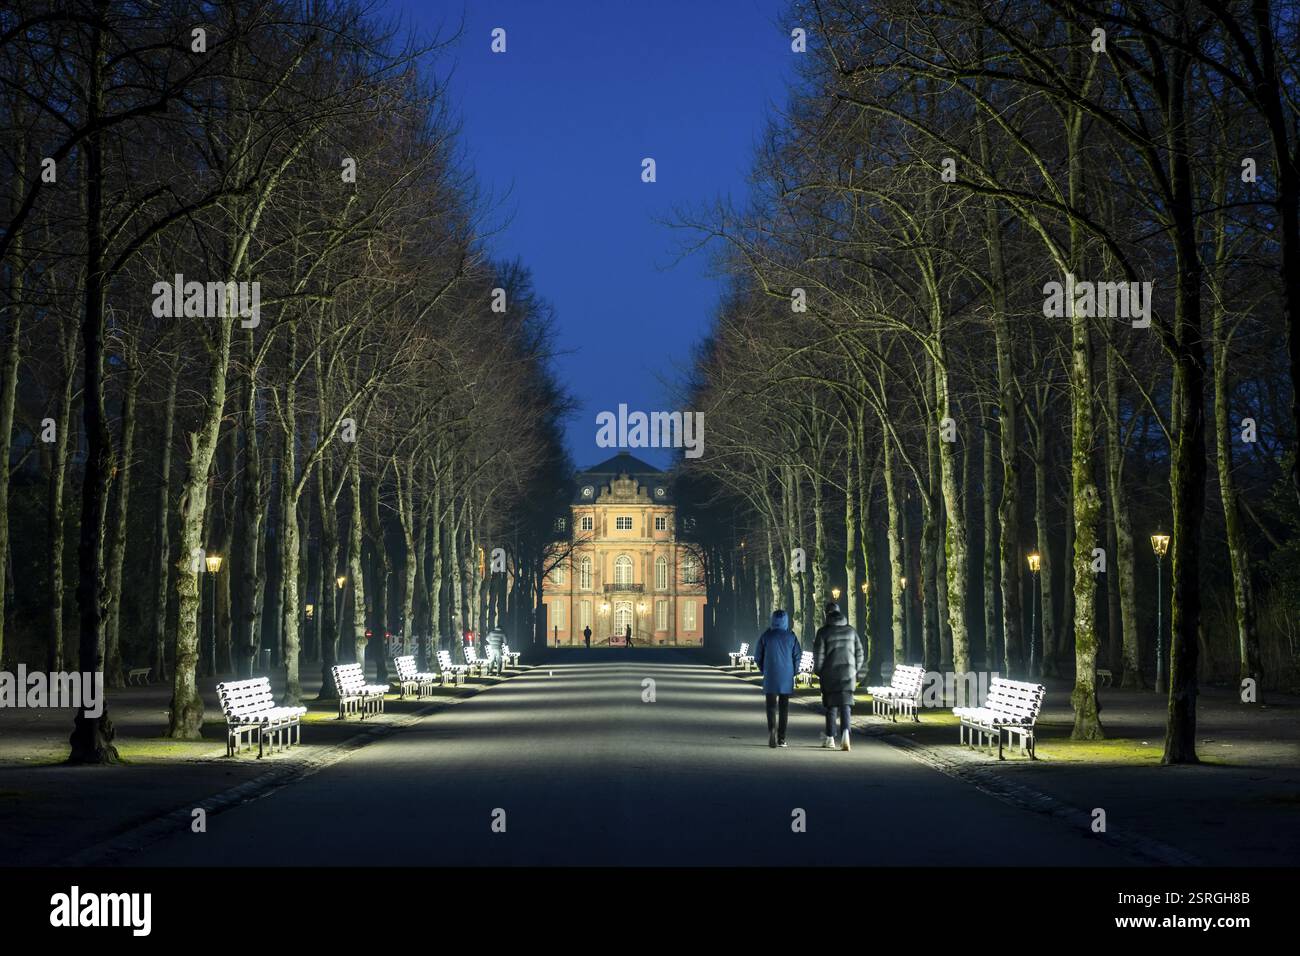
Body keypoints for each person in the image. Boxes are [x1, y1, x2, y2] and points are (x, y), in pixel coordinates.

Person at [813, 602, 865, 751]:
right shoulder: (851, 631)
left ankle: (830, 738)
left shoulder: (823, 632)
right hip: (848, 674)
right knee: (846, 706)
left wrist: (819, 672)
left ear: (826, 615)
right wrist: (854, 670)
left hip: (830, 675)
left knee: (831, 707)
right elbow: (860, 653)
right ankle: (846, 735)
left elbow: (819, 657)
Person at [755, 609, 801, 748]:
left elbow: (758, 656)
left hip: (771, 675)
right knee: (784, 707)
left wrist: (764, 669)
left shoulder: (766, 636)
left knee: (770, 706)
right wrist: (794, 672)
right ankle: (782, 738)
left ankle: (772, 730)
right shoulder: (791, 636)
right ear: (786, 621)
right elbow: (797, 656)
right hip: (786, 676)